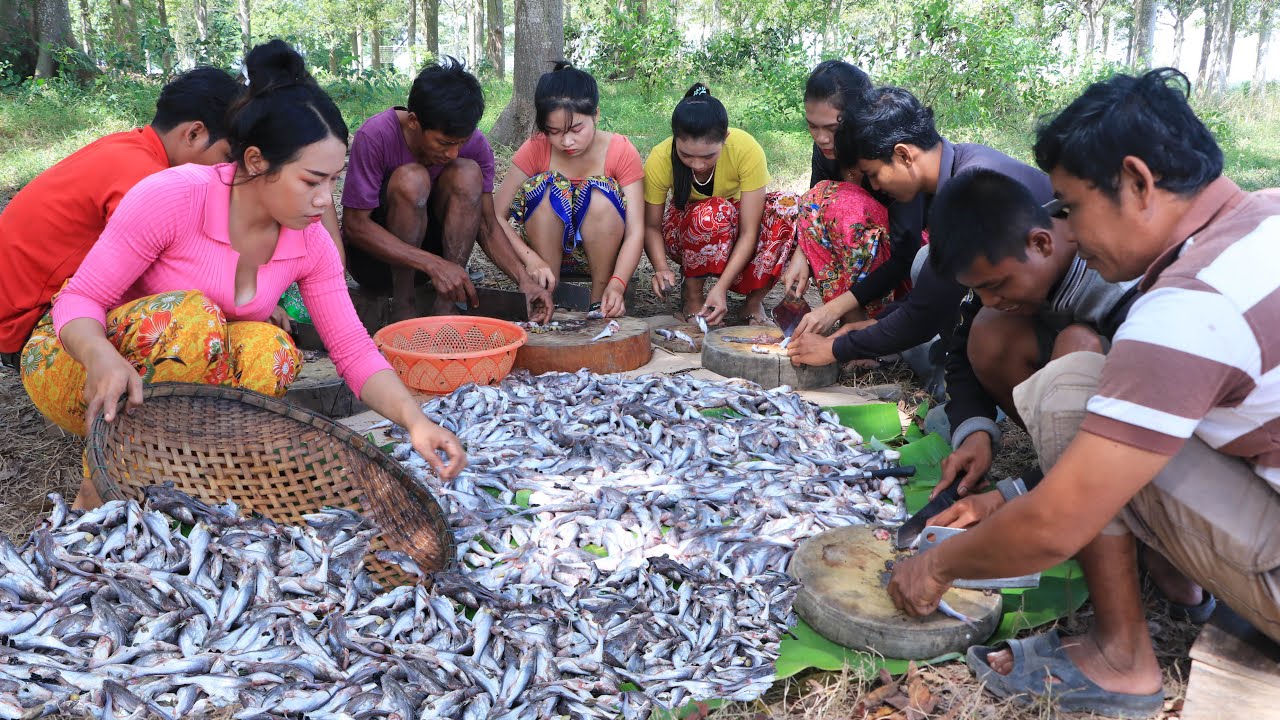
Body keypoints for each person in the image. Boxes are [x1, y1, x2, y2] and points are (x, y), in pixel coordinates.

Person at [887, 68, 1280, 718]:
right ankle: (1178, 581)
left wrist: (935, 569)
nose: (1066, 227)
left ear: (1137, 182)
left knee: (1073, 388)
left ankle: (1121, 660)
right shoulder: (1264, 215)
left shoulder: (1185, 309)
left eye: (1069, 206)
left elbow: (1055, 527)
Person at [21, 39, 467, 509]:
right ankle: (104, 482)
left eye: (333, 181)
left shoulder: (309, 241)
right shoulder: (172, 197)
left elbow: (352, 348)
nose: (324, 200)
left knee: (269, 349)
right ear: (256, 162)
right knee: (193, 321)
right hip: (79, 365)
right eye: (312, 181)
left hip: (167, 383)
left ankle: (180, 467)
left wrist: (416, 421)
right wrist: (100, 357)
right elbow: (79, 300)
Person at [787, 86, 1050, 388]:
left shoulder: (969, 190)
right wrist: (871, 326)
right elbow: (931, 293)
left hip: (1052, 323)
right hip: (1021, 307)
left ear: (903, 155)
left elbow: (927, 313)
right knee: (925, 262)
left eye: (873, 173)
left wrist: (834, 348)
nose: (874, 184)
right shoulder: (959, 166)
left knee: (945, 408)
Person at [0, 67, 243, 365]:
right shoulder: (145, 179)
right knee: (190, 317)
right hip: (29, 326)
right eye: (227, 158)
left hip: (25, 310)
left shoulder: (129, 148)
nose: (229, 173)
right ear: (194, 133)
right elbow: (170, 280)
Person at [340, 57, 551, 322]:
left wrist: (524, 281)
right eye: (443, 143)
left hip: (440, 267)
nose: (452, 153)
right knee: (413, 178)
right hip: (375, 264)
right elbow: (355, 226)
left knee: (467, 172)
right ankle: (404, 305)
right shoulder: (376, 135)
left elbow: (487, 225)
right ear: (414, 121)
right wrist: (432, 263)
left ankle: (446, 305)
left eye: (460, 143)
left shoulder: (475, 145)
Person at [492, 62, 645, 317]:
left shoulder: (621, 151)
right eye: (554, 132)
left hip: (604, 256)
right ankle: (546, 296)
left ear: (595, 114)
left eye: (576, 129)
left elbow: (636, 230)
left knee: (598, 193)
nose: (566, 141)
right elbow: (495, 216)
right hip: (544, 256)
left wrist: (618, 284)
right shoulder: (535, 149)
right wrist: (530, 259)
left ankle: (600, 300)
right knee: (546, 188)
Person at [781, 60, 926, 326]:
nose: (822, 138)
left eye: (832, 128)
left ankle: (866, 326)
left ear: (858, 117)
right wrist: (801, 255)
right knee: (817, 199)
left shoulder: (887, 150)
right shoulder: (826, 150)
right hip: (870, 268)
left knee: (841, 203)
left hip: (913, 264)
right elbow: (813, 208)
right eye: (813, 126)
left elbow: (906, 253)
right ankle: (852, 324)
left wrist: (832, 309)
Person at [642, 83, 798, 326]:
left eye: (707, 156)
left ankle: (753, 302)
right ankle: (693, 298)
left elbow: (749, 230)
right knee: (712, 212)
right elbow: (651, 226)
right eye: (686, 155)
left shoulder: (745, 148)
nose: (697, 164)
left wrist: (722, 287)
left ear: (725, 138)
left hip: (739, 230)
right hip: (686, 233)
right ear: (675, 139)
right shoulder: (660, 158)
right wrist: (661, 268)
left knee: (787, 206)